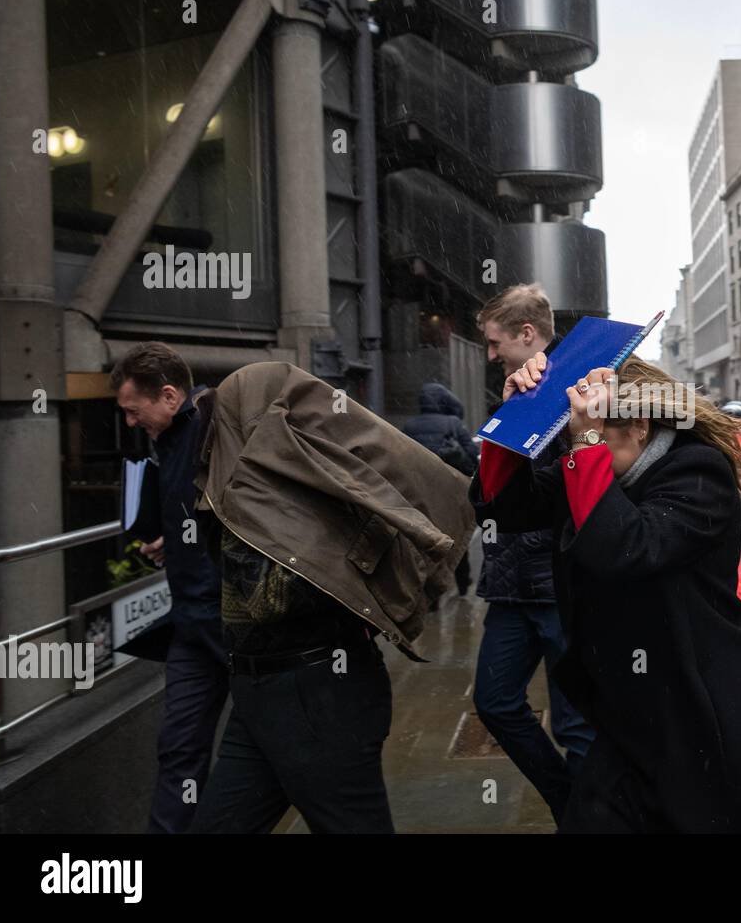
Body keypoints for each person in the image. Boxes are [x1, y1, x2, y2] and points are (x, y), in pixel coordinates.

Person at [473, 354, 741, 832]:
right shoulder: (592, 467)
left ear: (639, 424)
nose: (571, 443)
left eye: (596, 424)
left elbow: (624, 549)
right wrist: (518, 416)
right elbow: (505, 509)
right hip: (629, 708)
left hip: (699, 709)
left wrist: (587, 441)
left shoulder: (698, 472)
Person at [190, 362, 473, 832]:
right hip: (258, 694)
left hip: (316, 696)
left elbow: (269, 601)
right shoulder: (251, 487)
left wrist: (236, 517)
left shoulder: (294, 491)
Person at [471, 284, 594, 824]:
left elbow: (561, 495)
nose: (492, 355)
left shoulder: (579, 387)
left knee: (576, 726)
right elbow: (492, 497)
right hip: (511, 583)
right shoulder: (515, 390)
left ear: (528, 334)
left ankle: (593, 819)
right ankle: (570, 802)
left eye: (497, 343)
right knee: (496, 703)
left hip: (562, 585)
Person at [112, 342, 229, 834]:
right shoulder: (169, 437)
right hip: (191, 623)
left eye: (134, 412)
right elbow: (197, 508)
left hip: (231, 621)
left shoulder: (215, 425)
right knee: (178, 746)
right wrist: (176, 539)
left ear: (167, 395)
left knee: (281, 748)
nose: (132, 424)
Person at [403, 382, 480, 594]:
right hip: (451, 491)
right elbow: (472, 455)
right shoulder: (453, 423)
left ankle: (430, 591)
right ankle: (463, 584)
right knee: (457, 537)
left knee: (426, 538)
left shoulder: (410, 426)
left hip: (422, 492)